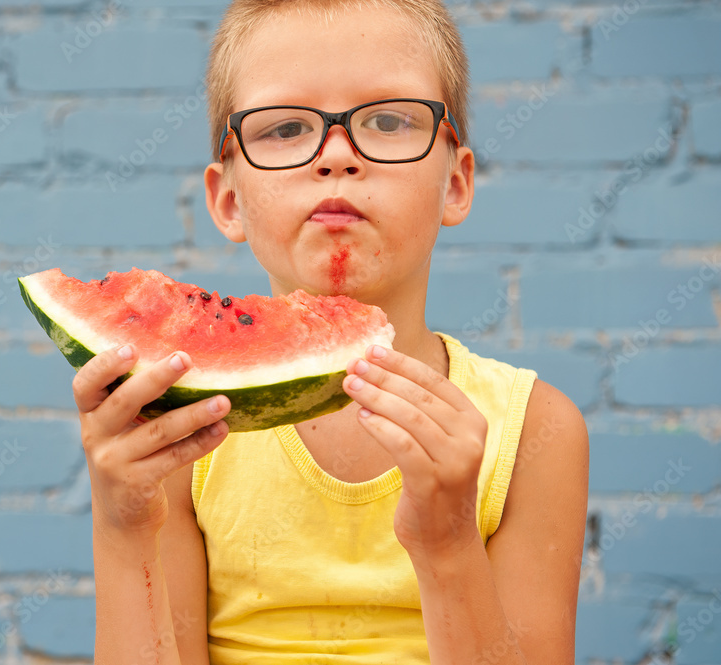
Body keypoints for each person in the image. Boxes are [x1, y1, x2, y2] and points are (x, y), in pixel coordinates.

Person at [71, 0, 590, 663]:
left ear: (456, 182)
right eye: (286, 129)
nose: (338, 156)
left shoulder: (535, 434)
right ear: (228, 198)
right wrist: (124, 528)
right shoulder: (182, 425)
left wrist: (447, 544)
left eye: (389, 120)